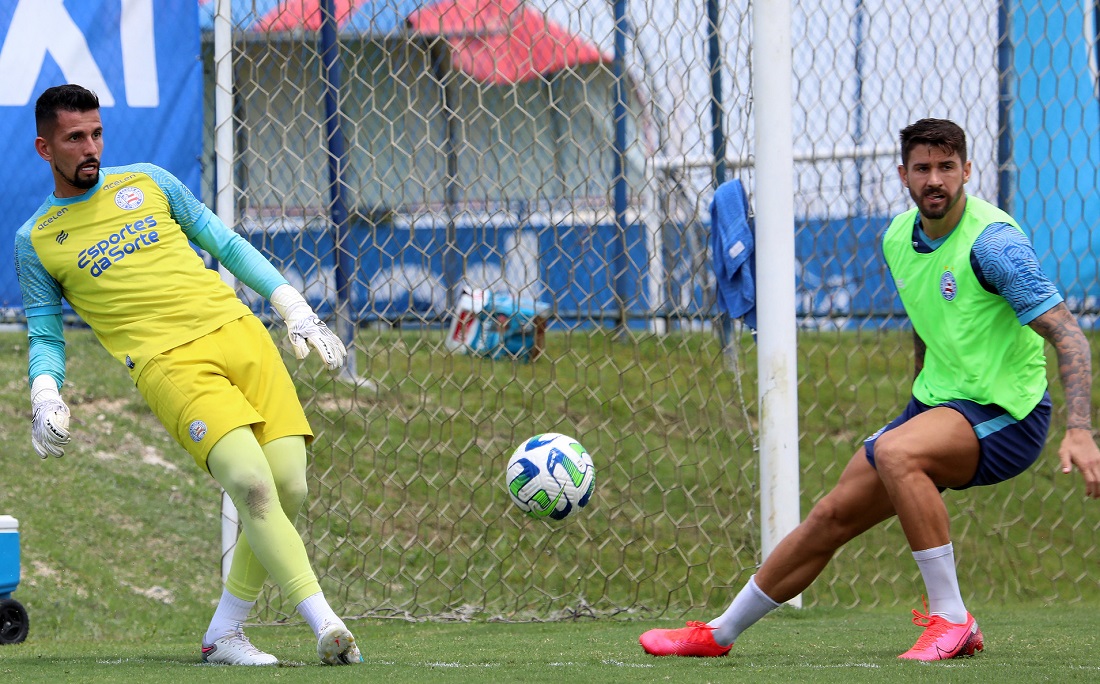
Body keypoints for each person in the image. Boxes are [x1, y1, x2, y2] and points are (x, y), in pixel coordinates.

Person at [639, 118, 1100, 661]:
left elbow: (1069, 333)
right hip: (941, 403)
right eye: (923, 168)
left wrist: (1080, 429)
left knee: (896, 451)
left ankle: (952, 618)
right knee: (831, 515)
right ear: (903, 174)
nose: (935, 180)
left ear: (968, 171)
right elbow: (929, 321)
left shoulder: (995, 245)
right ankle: (719, 633)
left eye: (947, 167)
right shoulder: (896, 238)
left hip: (1008, 414)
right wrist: (922, 399)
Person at [15, 84, 362, 667]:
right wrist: (45, 390)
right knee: (251, 484)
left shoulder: (148, 180)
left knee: (291, 488)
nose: (91, 146)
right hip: (169, 364)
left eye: (97, 132)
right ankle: (326, 624)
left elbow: (222, 242)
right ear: (45, 148)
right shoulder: (38, 240)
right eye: (75, 137)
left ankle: (225, 633)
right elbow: (46, 336)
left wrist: (290, 304)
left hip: (240, 333)